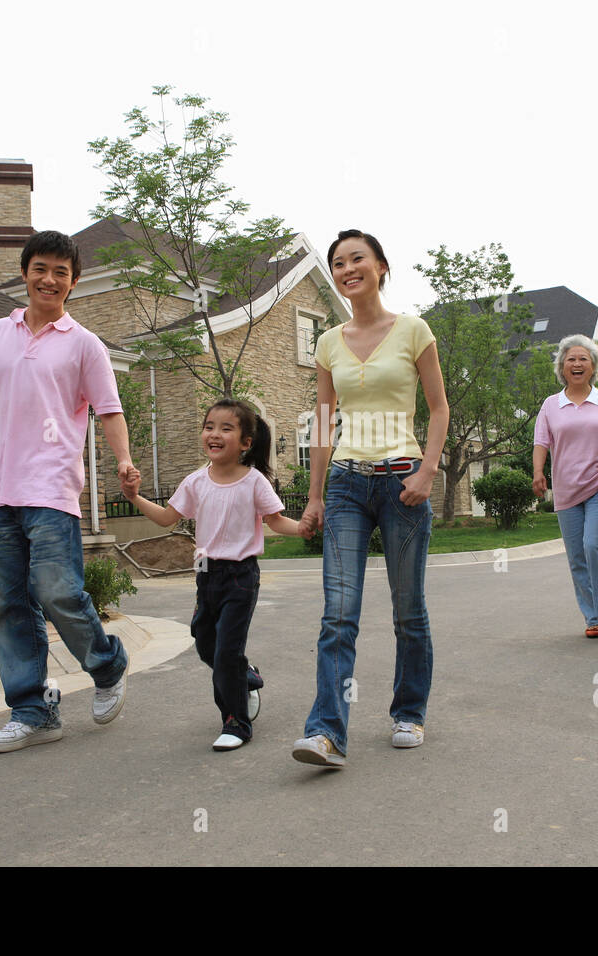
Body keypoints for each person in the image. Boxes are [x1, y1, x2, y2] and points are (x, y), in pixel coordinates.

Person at [0, 230, 136, 753]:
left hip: (51, 486)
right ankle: (32, 711)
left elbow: (109, 409)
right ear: (25, 272)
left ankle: (107, 663)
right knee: (10, 604)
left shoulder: (84, 344)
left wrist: (123, 459)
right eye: (41, 268)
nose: (49, 279)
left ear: (73, 283)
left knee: (56, 590)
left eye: (61, 272)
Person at [292, 229, 449, 769]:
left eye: (357, 258)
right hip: (346, 484)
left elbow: (439, 408)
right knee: (339, 612)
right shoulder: (328, 342)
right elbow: (322, 420)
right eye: (337, 263)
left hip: (403, 480)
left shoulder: (413, 330)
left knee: (408, 610)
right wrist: (314, 496)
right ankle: (326, 732)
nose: (346, 268)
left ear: (381, 266)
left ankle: (409, 711)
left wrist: (428, 472)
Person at [122, 400, 306, 750]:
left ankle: (236, 724)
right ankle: (245, 674)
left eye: (226, 428)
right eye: (209, 426)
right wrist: (134, 496)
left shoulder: (255, 482)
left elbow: (276, 521)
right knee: (205, 640)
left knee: (225, 652)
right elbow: (166, 518)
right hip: (206, 574)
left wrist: (306, 529)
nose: (214, 434)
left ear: (246, 442)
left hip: (240, 576)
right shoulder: (195, 481)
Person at [533, 334, 598, 641]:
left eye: (583, 358)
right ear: (562, 366)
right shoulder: (551, 405)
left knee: (595, 546)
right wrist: (537, 473)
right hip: (566, 489)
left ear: (594, 366)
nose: (577, 363)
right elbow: (541, 441)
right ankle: (593, 616)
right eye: (571, 359)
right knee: (576, 556)